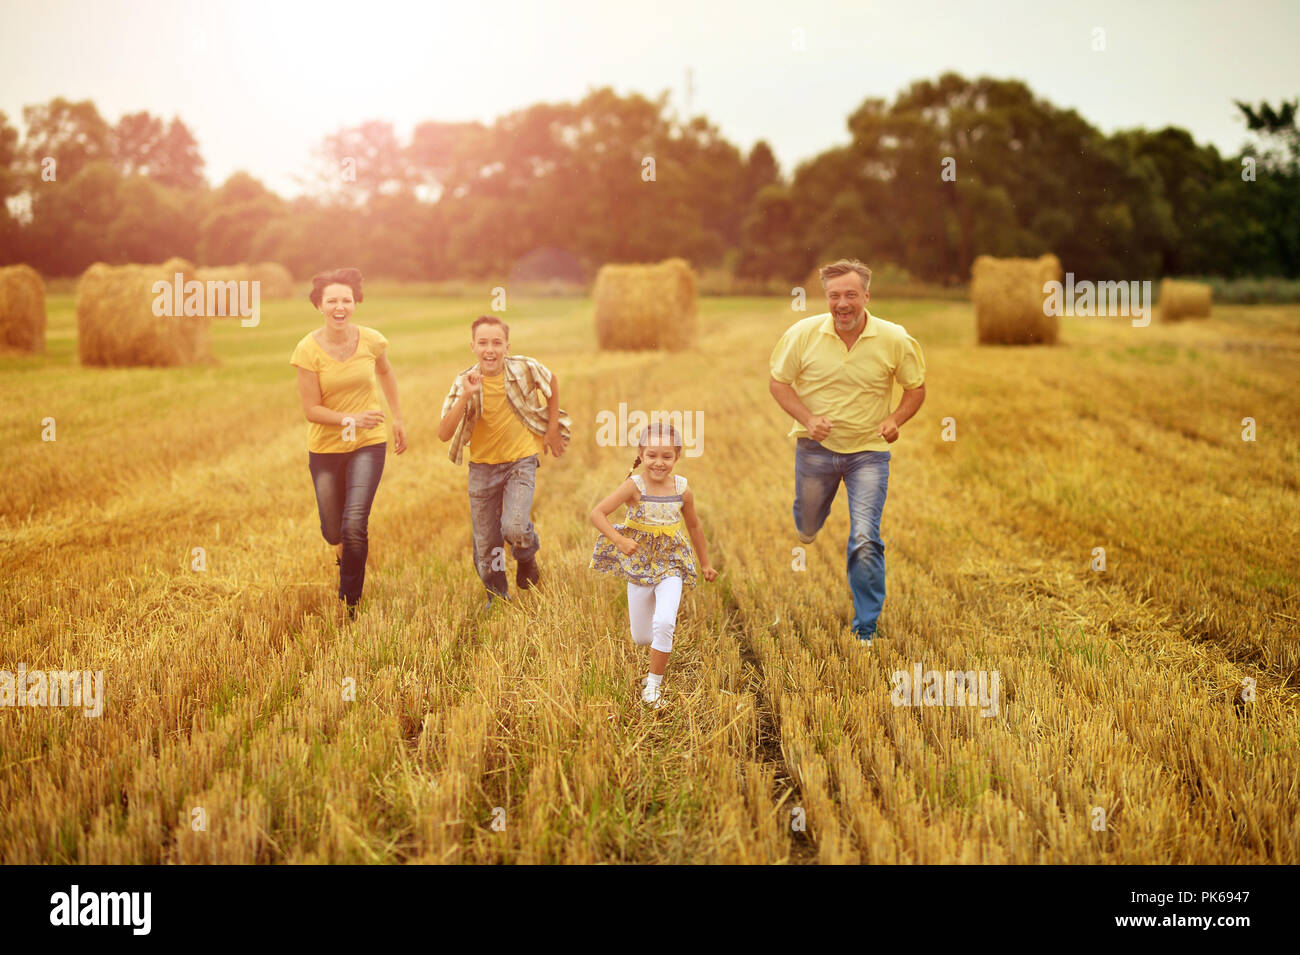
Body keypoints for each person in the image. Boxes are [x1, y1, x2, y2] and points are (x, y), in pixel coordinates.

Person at [768, 258, 926, 644]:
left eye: (851, 295)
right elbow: (779, 383)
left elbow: (916, 388)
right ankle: (808, 525)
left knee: (865, 537)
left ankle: (865, 629)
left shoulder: (894, 339)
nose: (842, 303)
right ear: (826, 298)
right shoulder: (802, 334)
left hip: (868, 453)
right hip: (815, 450)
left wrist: (895, 419)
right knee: (806, 524)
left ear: (866, 296)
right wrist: (807, 417)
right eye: (834, 295)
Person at [290, 267, 406, 618]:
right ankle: (344, 558)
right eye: (332, 301)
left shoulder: (372, 340)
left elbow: (385, 372)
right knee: (332, 530)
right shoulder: (307, 350)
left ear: (355, 302)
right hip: (326, 448)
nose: (340, 307)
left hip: (367, 443)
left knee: (355, 524)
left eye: (346, 300)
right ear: (319, 306)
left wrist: (397, 417)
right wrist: (349, 419)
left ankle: (349, 601)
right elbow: (311, 410)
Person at [438, 315, 570, 605]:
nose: (490, 349)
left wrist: (550, 429)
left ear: (507, 346)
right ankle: (496, 598)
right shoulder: (465, 381)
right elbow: (443, 433)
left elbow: (552, 381)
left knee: (514, 526)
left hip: (520, 462)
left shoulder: (524, 368)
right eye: (483, 342)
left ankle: (525, 555)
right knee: (486, 545)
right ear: (472, 346)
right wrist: (466, 396)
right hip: (482, 470)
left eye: (497, 343)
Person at [589, 422, 718, 708]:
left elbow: (694, 527)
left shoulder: (683, 489)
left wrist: (705, 563)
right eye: (652, 455)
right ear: (641, 454)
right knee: (641, 636)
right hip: (640, 564)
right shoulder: (634, 486)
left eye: (666, 456)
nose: (659, 463)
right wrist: (620, 541)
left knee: (663, 622)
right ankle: (655, 640)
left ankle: (653, 687)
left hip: (672, 562)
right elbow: (597, 514)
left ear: (677, 456)